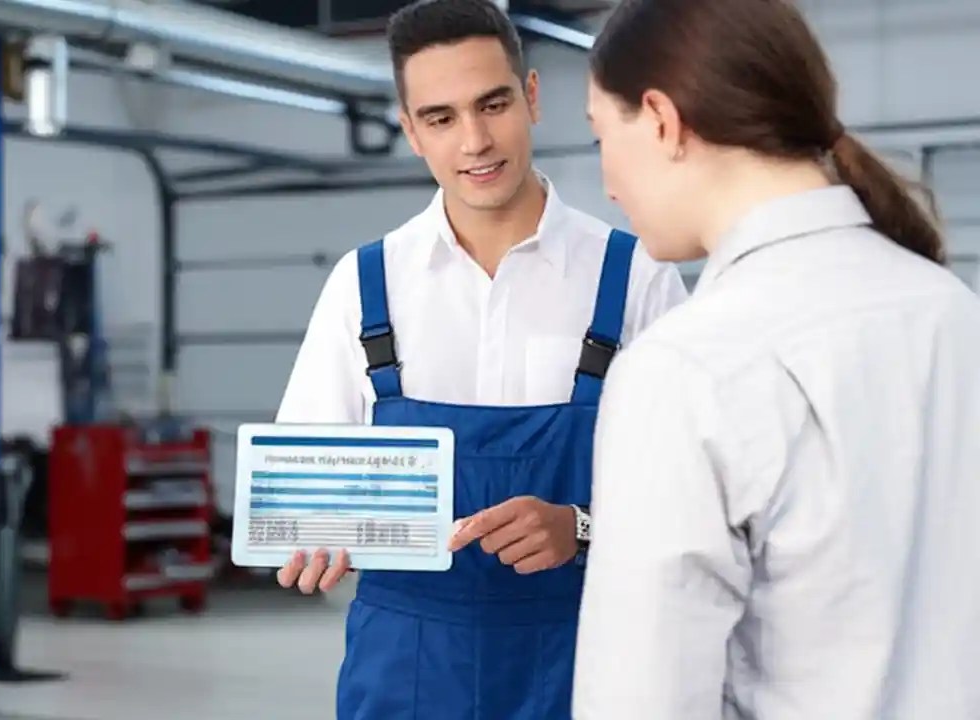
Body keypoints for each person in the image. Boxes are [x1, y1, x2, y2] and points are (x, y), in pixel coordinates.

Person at [271, 1, 688, 717]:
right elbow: (302, 495)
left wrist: (580, 528)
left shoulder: (636, 279)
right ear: (410, 131)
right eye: (440, 118)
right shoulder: (364, 285)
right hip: (404, 668)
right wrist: (310, 536)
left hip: (583, 659)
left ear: (531, 97)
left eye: (492, 105)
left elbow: (692, 497)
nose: (475, 141)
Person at [570, 0, 980, 718]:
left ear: (662, 120)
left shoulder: (686, 367)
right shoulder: (952, 310)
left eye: (602, 134)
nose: (607, 182)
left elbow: (641, 699)